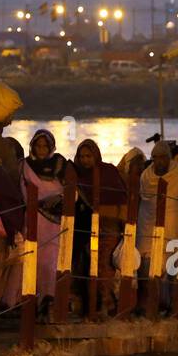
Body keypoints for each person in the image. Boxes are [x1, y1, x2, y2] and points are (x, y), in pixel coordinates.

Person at [136, 140, 178, 311]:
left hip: (174, 231)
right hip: (149, 230)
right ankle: (153, 305)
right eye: (155, 158)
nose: (159, 162)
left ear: (168, 158)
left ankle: (176, 306)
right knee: (148, 271)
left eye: (163, 158)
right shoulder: (146, 177)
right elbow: (145, 206)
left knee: (174, 273)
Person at [72, 138, 127, 317]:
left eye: (89, 156)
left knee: (103, 266)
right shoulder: (76, 176)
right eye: (82, 157)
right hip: (82, 227)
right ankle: (87, 307)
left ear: (96, 156)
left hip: (108, 225)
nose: (85, 160)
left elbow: (121, 199)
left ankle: (106, 305)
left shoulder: (108, 172)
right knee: (80, 266)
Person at [21, 130, 68, 314]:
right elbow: (24, 192)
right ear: (32, 146)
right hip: (33, 219)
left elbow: (72, 192)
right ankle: (30, 302)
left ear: (51, 147)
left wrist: (57, 199)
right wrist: (37, 204)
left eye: (44, 146)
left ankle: (48, 300)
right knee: (32, 260)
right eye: (38, 146)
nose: (41, 150)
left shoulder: (60, 164)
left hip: (54, 222)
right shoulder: (25, 166)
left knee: (51, 262)